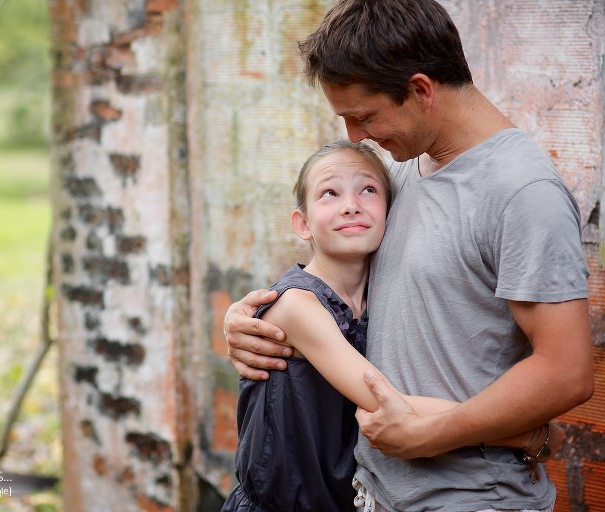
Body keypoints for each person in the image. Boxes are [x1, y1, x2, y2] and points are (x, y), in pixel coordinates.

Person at [223, 1, 594, 511]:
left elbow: (566, 370)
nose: (356, 136)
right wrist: (248, 319)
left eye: (364, 116)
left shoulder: (522, 193)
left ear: (421, 91)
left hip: (469, 499)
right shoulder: (401, 170)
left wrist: (435, 433)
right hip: (372, 494)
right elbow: (343, 272)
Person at [222, 140, 563, 512]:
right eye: (329, 193)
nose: (351, 204)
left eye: (368, 190)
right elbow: (384, 400)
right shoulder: (296, 306)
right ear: (302, 224)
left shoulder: (379, 294)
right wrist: (525, 434)